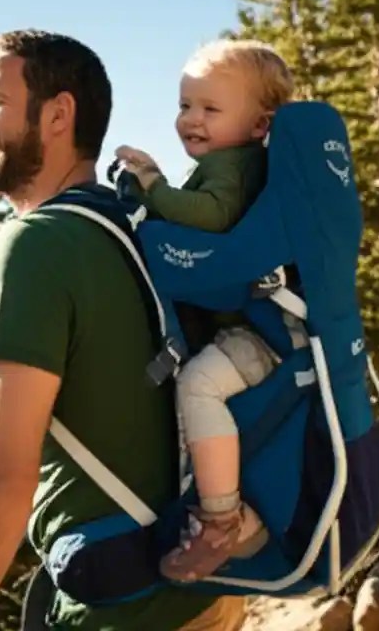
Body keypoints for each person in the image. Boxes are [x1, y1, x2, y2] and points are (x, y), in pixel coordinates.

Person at [0, 29, 246, 631]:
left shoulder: (35, 246)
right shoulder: (138, 224)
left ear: (57, 114)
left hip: (128, 611)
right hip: (209, 593)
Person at [112, 39, 306, 583]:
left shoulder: (237, 166)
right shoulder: (237, 161)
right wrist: (161, 186)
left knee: (197, 386)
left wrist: (152, 190)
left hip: (267, 336)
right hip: (259, 328)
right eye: (184, 105)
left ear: (259, 124)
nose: (191, 119)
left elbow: (214, 217)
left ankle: (225, 522)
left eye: (210, 109)